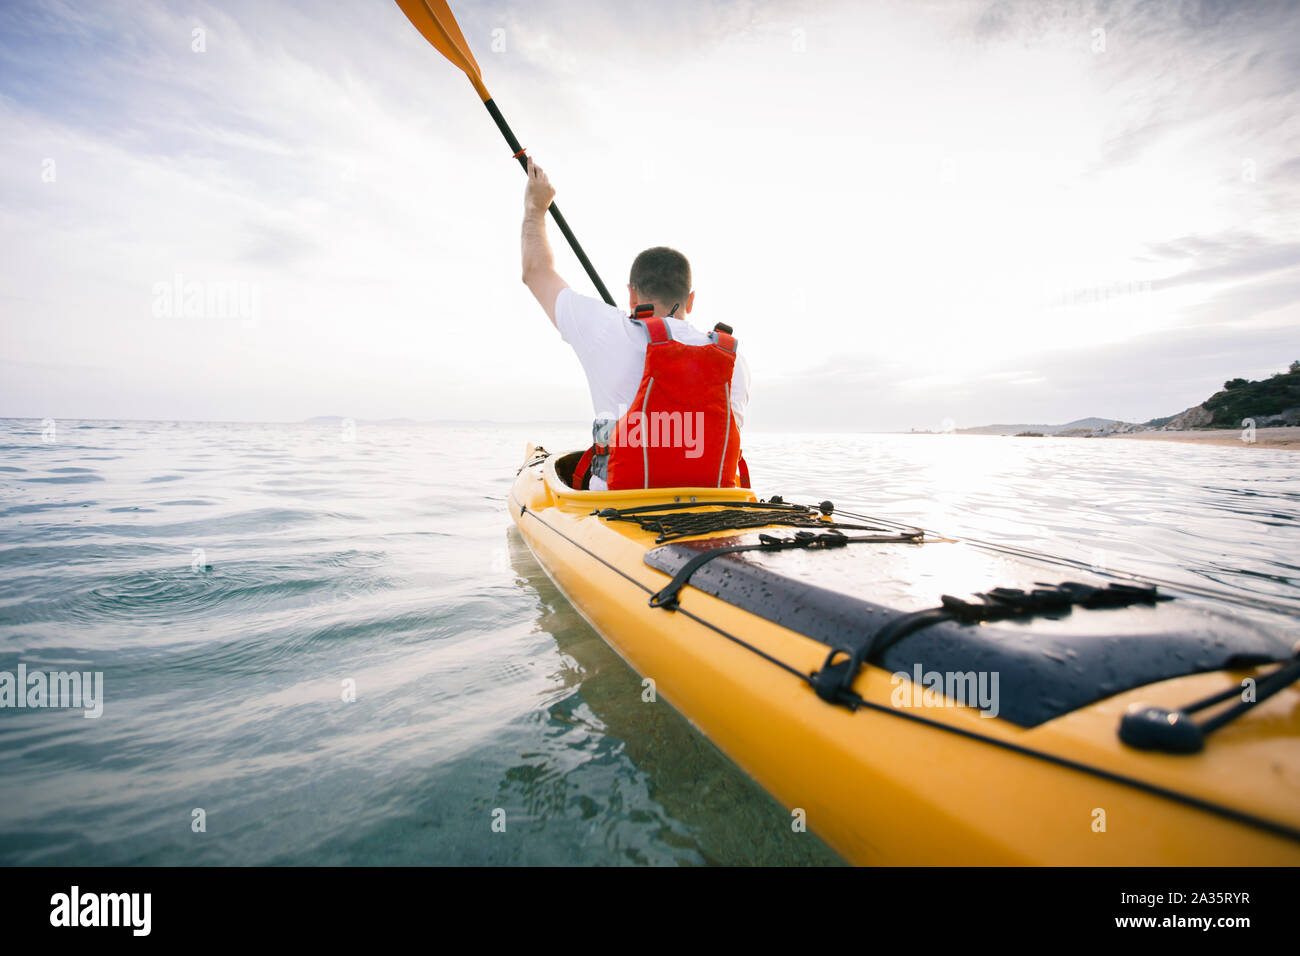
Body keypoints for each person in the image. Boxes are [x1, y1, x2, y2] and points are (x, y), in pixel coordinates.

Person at [519, 157, 751, 490]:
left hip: (620, 510)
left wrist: (536, 208)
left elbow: (535, 272)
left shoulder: (605, 329)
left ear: (631, 295)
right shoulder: (733, 359)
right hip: (713, 508)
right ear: (691, 299)